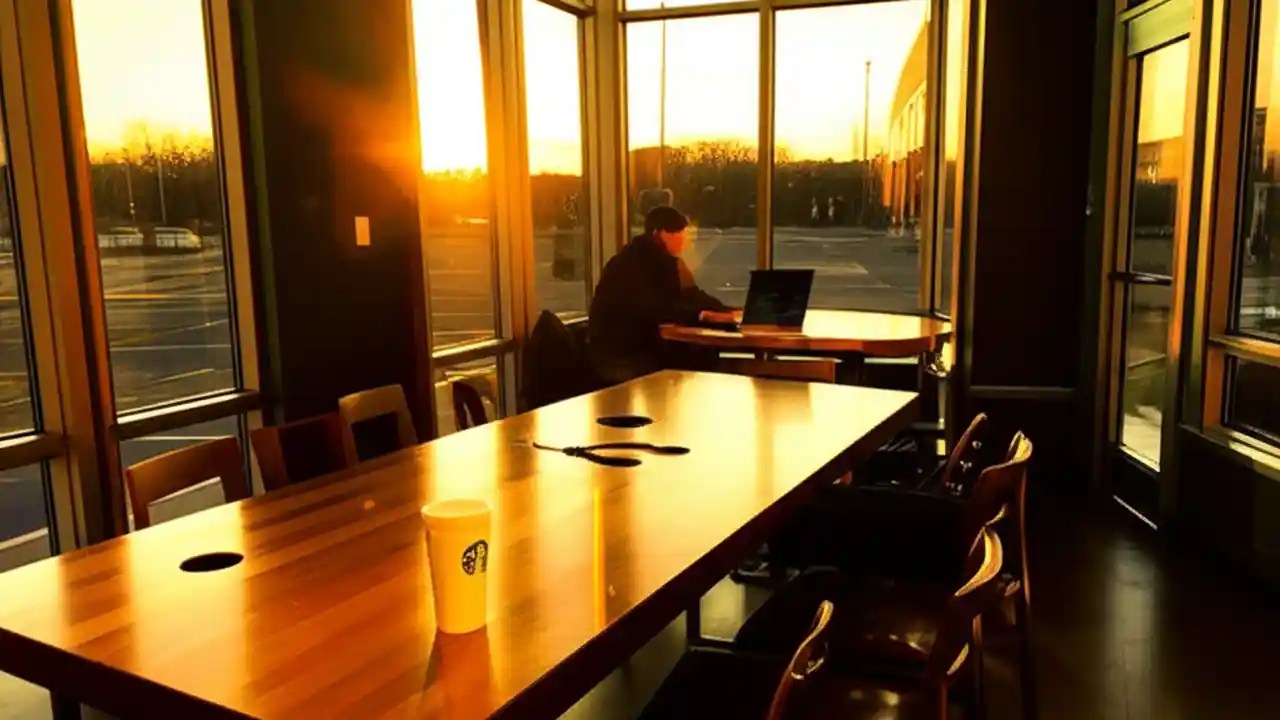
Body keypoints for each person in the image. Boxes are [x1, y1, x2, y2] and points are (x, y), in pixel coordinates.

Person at [588, 206, 735, 383]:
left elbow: (691, 296)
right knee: (700, 362)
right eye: (674, 232)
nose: (682, 238)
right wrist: (707, 315)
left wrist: (722, 312)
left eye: (682, 232)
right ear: (657, 233)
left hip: (613, 351)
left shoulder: (628, 260)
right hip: (627, 354)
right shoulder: (647, 265)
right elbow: (660, 307)